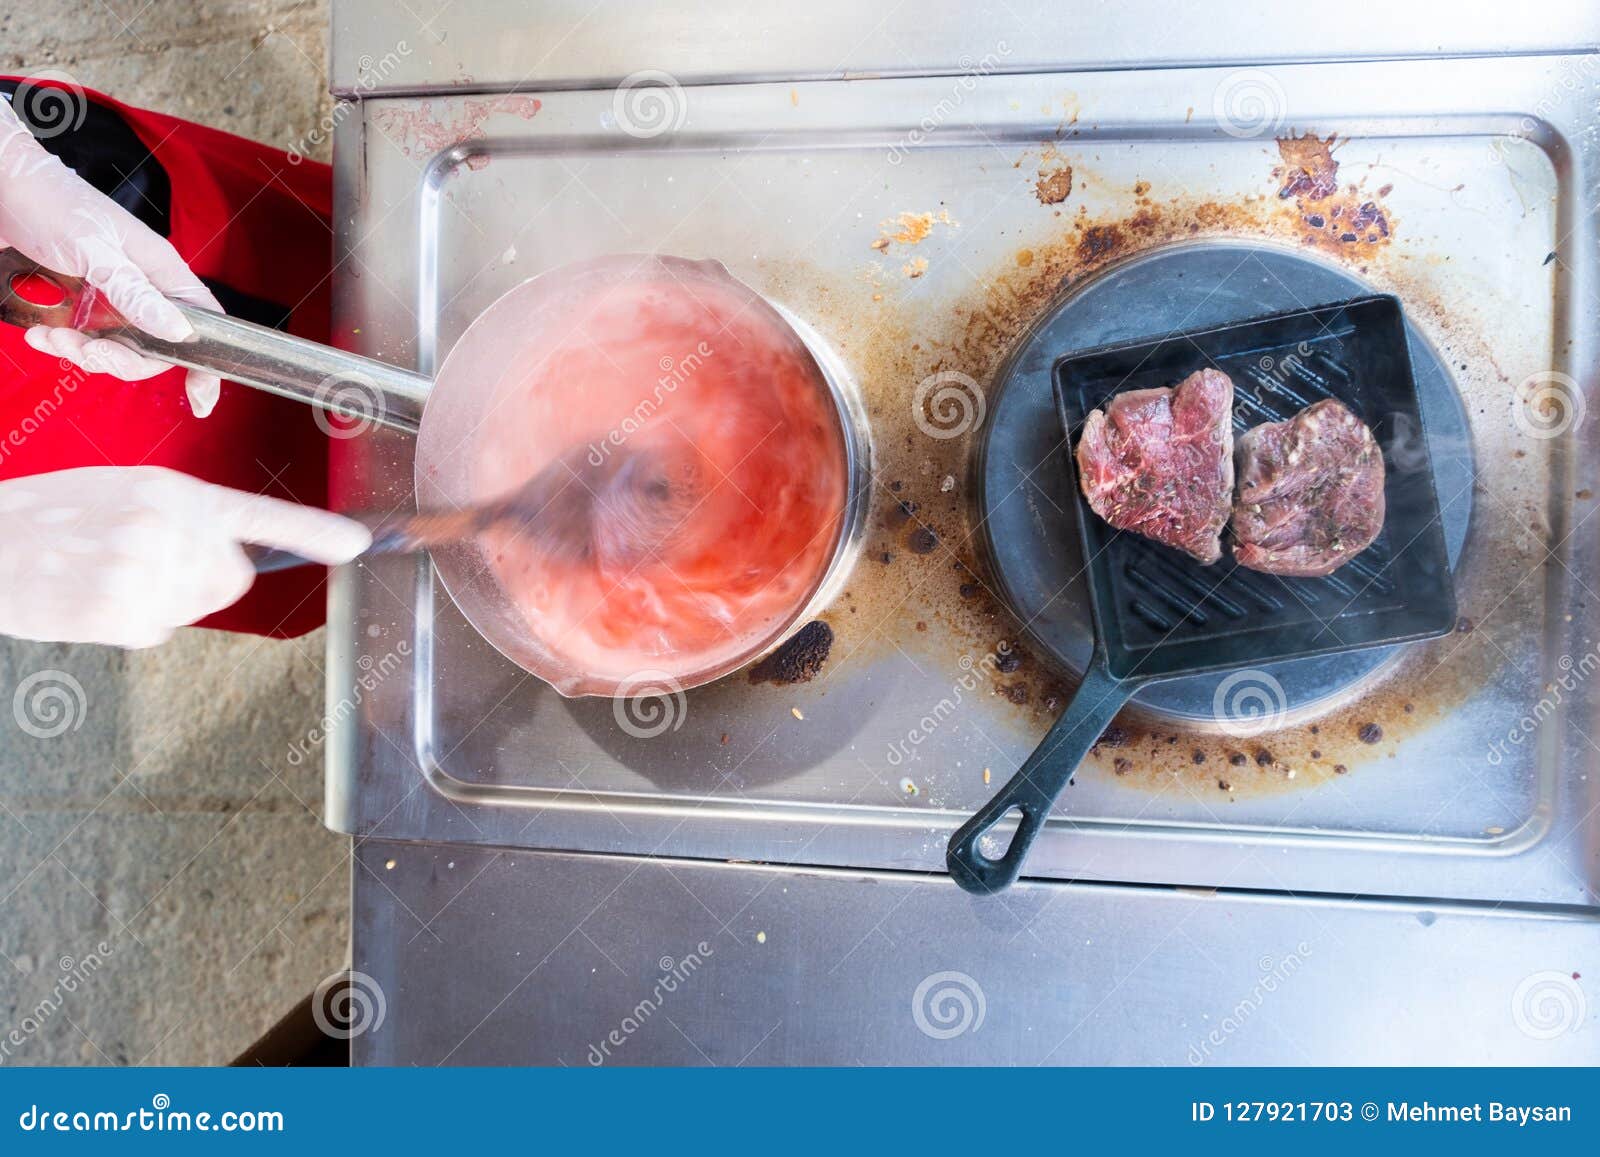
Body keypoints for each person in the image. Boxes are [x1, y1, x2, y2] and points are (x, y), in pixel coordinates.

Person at [0, 95, 370, 649]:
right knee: (188, 532)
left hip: (60, 223)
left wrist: (9, 167)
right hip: (38, 458)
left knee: (336, 275)